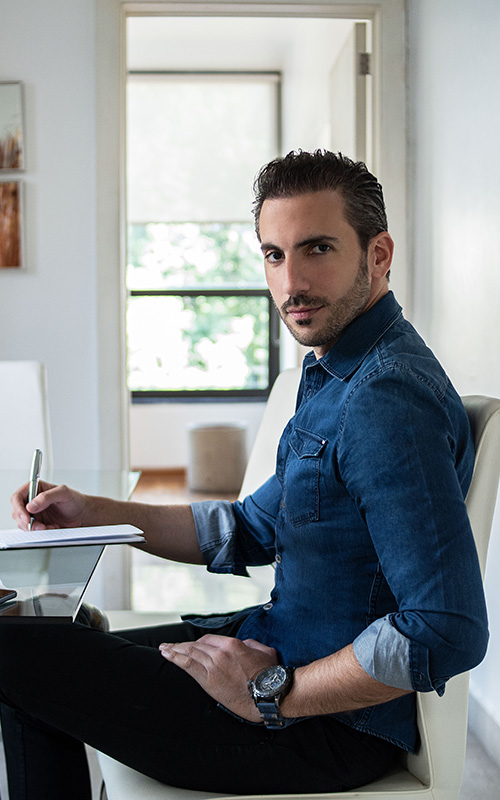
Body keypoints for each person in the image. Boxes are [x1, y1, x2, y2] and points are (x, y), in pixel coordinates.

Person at [4, 150, 488, 800]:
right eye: (273, 254)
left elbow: (446, 627)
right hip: (276, 656)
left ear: (378, 254)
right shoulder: (337, 374)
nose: (291, 282)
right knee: (31, 646)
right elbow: (247, 527)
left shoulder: (384, 399)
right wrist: (98, 512)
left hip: (317, 727)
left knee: (17, 646)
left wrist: (274, 693)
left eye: (316, 248)